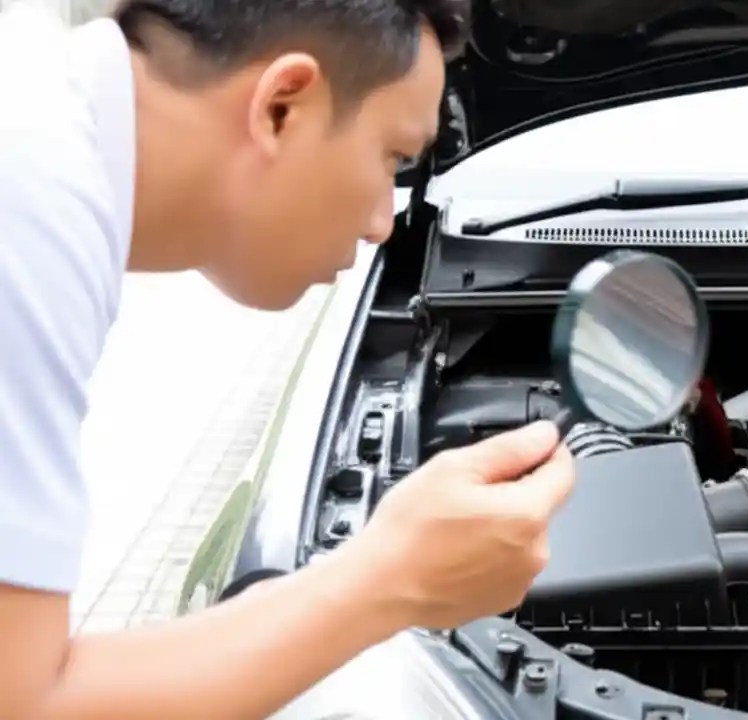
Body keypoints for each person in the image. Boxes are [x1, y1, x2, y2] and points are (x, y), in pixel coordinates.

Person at [0, 0, 577, 717]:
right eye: (394, 156)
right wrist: (390, 578)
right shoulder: (29, 216)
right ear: (282, 106)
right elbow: (23, 701)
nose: (378, 224)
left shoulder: (42, 143)